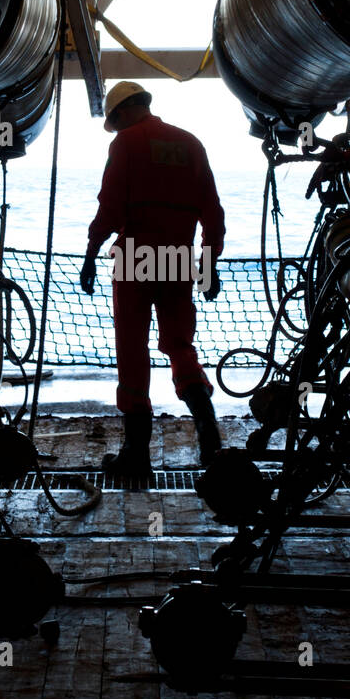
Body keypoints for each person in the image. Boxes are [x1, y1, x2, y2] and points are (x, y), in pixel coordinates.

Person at [80, 82, 226, 479]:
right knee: (179, 344)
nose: (117, 126)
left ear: (124, 111)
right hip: (176, 259)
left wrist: (92, 253)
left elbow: (109, 208)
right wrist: (208, 263)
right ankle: (209, 437)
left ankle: (136, 450)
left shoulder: (126, 144)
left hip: (135, 257)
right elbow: (212, 212)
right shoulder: (191, 144)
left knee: (132, 348)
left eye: (116, 120)